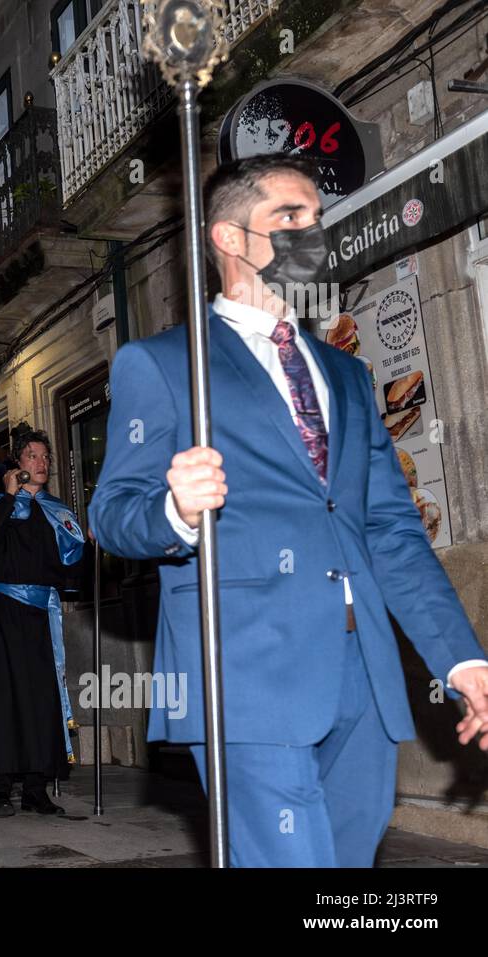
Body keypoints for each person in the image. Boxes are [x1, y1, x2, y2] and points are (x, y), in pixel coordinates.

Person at [90, 153, 488, 867]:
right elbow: (114, 515)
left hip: (360, 671)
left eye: (318, 218)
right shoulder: (165, 364)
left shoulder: (348, 374)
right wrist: (176, 510)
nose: (313, 234)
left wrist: (462, 661)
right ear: (230, 238)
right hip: (244, 667)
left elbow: (392, 533)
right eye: (290, 218)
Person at [0, 434, 85, 816]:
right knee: (3, 698)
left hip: (41, 612)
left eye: (45, 457)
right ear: (17, 464)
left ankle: (36, 787)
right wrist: (8, 497)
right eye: (32, 456)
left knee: (41, 699)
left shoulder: (56, 509)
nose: (41, 462)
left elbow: (71, 560)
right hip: (3, 610)